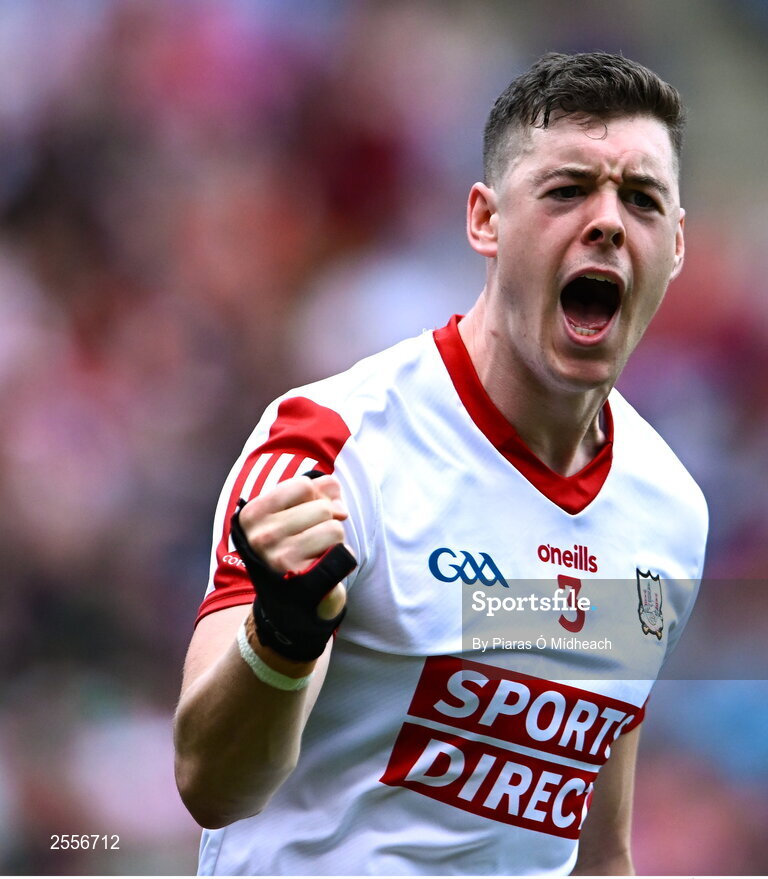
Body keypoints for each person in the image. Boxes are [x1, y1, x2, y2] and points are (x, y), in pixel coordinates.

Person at [173, 51, 708, 876]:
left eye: (639, 199)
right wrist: (279, 638)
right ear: (486, 221)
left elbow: (600, 852)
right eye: (567, 190)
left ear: (673, 246)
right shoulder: (331, 446)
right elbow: (212, 786)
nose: (606, 221)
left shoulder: (670, 512)